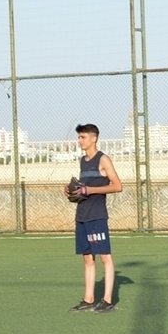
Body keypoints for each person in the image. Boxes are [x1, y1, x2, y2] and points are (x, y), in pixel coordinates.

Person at [69, 122, 123, 312]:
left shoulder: (103, 159)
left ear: (94, 138)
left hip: (97, 216)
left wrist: (90, 190)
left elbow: (117, 185)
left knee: (104, 257)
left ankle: (107, 300)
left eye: (83, 137)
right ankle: (88, 298)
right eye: (79, 137)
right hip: (82, 215)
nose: (80, 140)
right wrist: (73, 191)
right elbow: (83, 188)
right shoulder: (82, 161)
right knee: (87, 258)